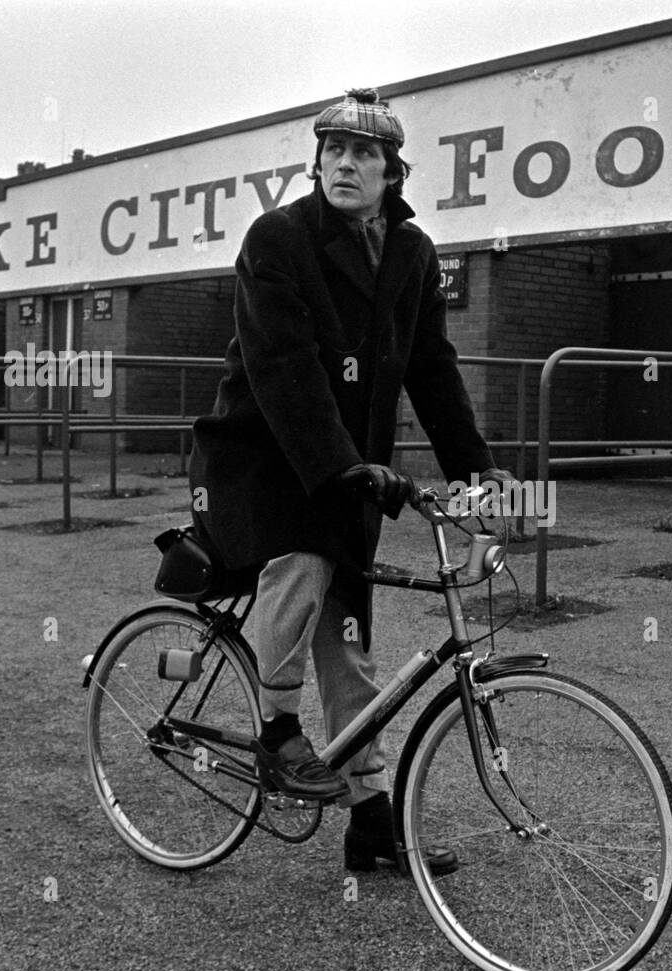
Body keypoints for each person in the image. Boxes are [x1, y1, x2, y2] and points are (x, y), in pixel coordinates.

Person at [189, 89, 509, 875]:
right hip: (263, 461)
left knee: (350, 648)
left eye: (363, 153)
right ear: (317, 161)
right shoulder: (278, 239)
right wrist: (345, 468)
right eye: (332, 148)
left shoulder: (412, 253)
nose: (344, 162)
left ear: (392, 172)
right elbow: (285, 371)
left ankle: (371, 823)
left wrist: (477, 473)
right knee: (300, 562)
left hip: (347, 471)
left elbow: (432, 369)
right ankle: (274, 729)